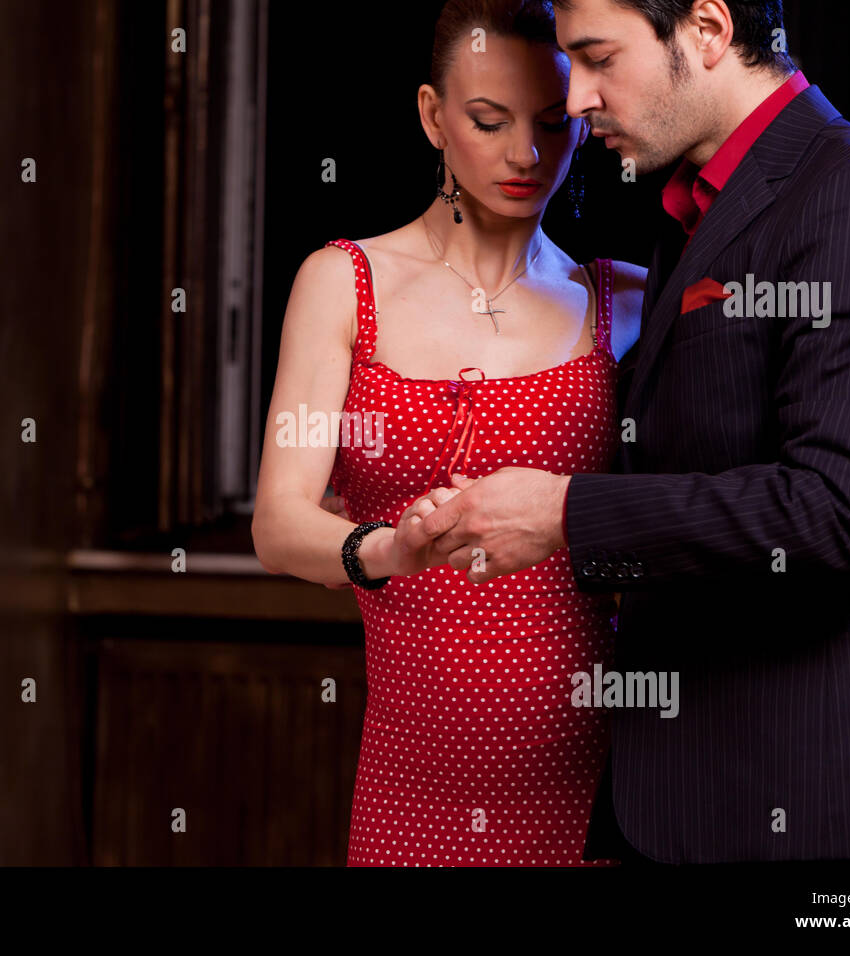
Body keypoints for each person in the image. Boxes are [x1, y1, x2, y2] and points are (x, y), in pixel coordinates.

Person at [403, 0, 850, 866]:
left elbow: (833, 514)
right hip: (680, 808)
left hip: (828, 819)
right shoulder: (698, 213)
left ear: (708, 31)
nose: (579, 97)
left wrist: (566, 516)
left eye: (597, 59)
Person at [251, 0, 645, 865]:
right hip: (411, 788)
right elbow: (278, 524)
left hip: (588, 778)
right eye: (488, 121)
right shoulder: (343, 283)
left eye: (550, 123)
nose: (524, 155)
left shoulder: (624, 302)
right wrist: (395, 550)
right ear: (433, 115)